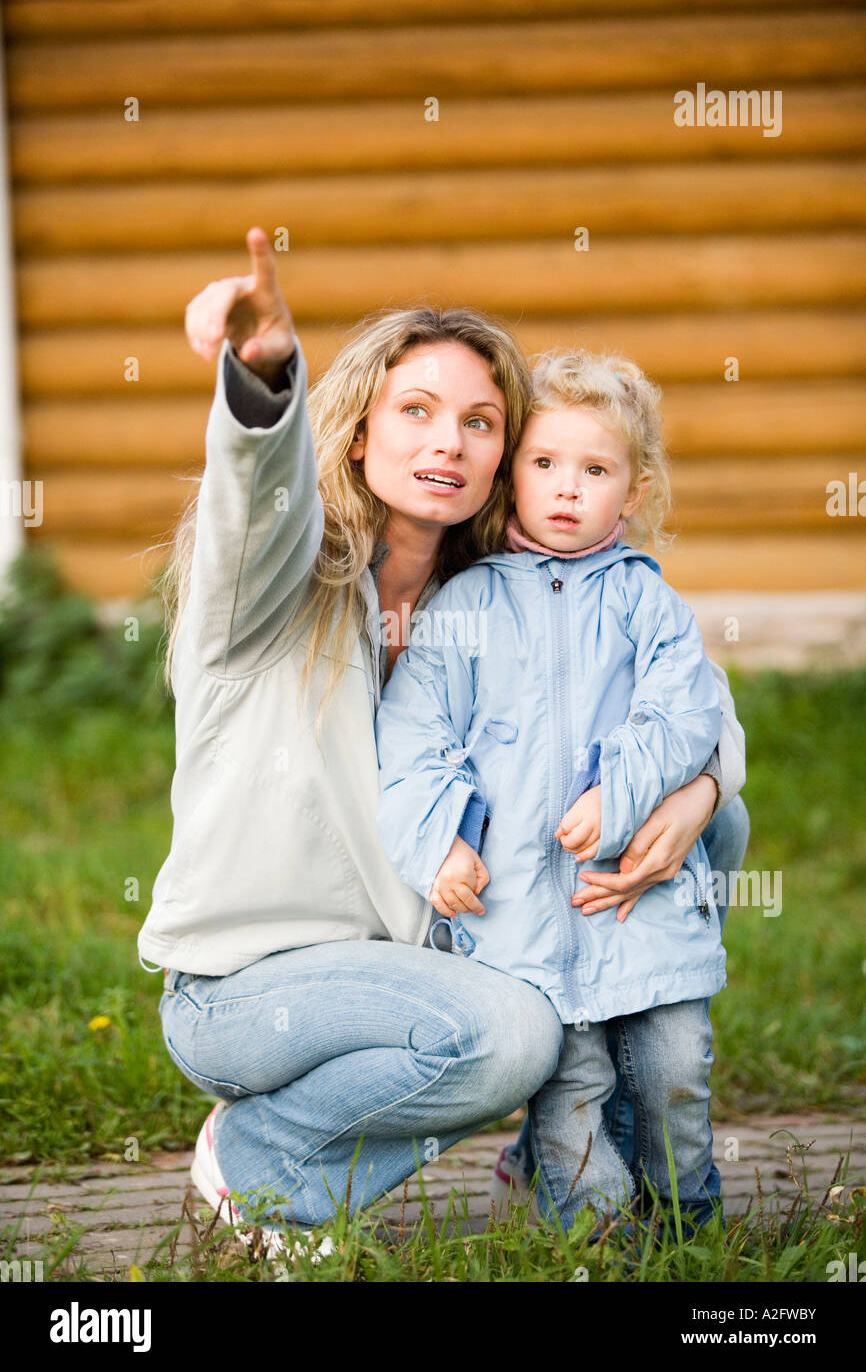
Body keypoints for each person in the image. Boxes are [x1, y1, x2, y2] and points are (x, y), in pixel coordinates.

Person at [139, 228, 747, 1242]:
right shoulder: (268, 591)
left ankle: (562, 1147)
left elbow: (688, 689)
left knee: (712, 830)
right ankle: (263, 1157)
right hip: (250, 985)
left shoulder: (487, 598)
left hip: (407, 953)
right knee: (510, 1034)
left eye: (478, 421)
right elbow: (260, 505)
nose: (447, 442)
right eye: (414, 411)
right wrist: (262, 385)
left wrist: (692, 793)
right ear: (356, 432)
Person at [375, 349, 733, 1231]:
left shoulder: (652, 606)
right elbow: (414, 739)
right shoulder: (463, 608)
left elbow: (686, 712)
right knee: (570, 1087)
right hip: (524, 924)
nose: (567, 488)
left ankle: (688, 1224)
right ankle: (593, 1231)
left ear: (634, 491)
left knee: (674, 1070)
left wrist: (624, 790)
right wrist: (441, 840)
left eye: (595, 469)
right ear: (512, 477)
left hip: (635, 910)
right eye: (544, 464)